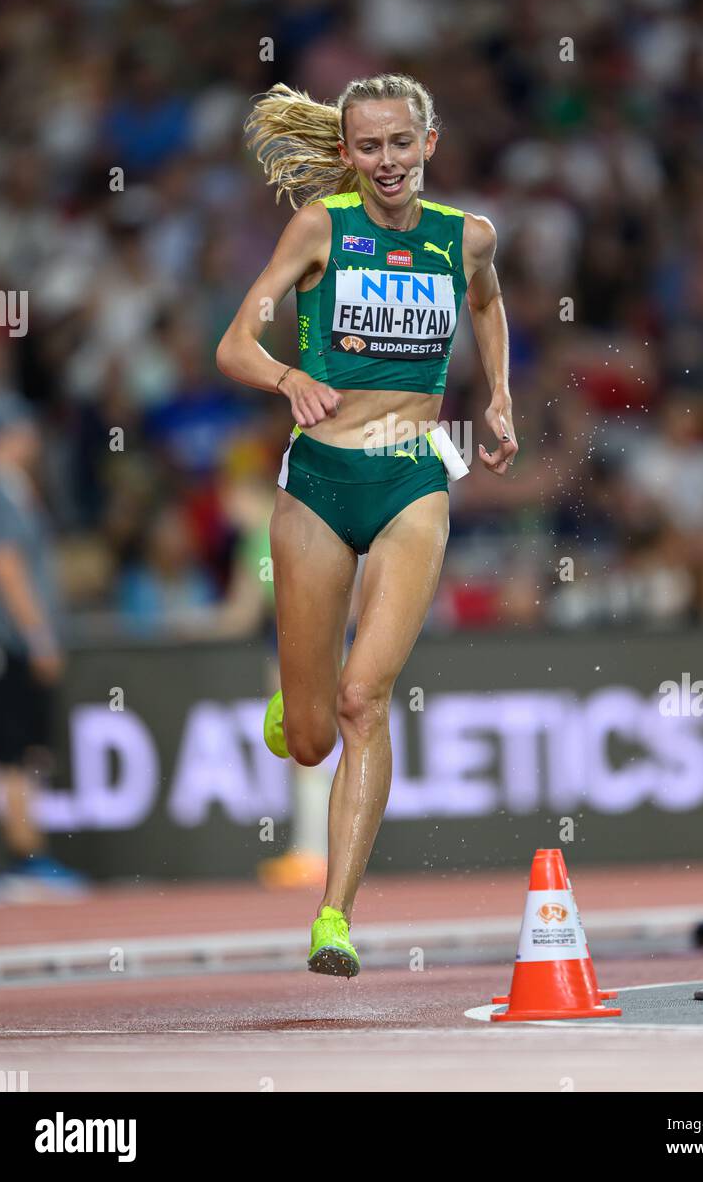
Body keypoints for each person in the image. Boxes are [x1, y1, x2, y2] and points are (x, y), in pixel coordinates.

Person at [216, 74, 516, 975]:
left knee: (363, 700)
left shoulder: (466, 238)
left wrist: (500, 396)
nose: (386, 161)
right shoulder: (319, 229)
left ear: (430, 143)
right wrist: (284, 378)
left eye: (400, 143)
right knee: (311, 737)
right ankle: (288, 714)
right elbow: (233, 344)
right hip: (314, 486)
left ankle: (334, 917)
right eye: (368, 147)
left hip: (411, 483)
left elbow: (490, 301)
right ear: (346, 154)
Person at [0, 391, 88, 896]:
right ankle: (26, 860)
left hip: (6, 643)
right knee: (13, 754)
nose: (33, 438)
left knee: (10, 755)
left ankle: (22, 856)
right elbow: (4, 566)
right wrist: (39, 636)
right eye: (23, 430)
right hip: (3, 643)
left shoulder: (14, 487)